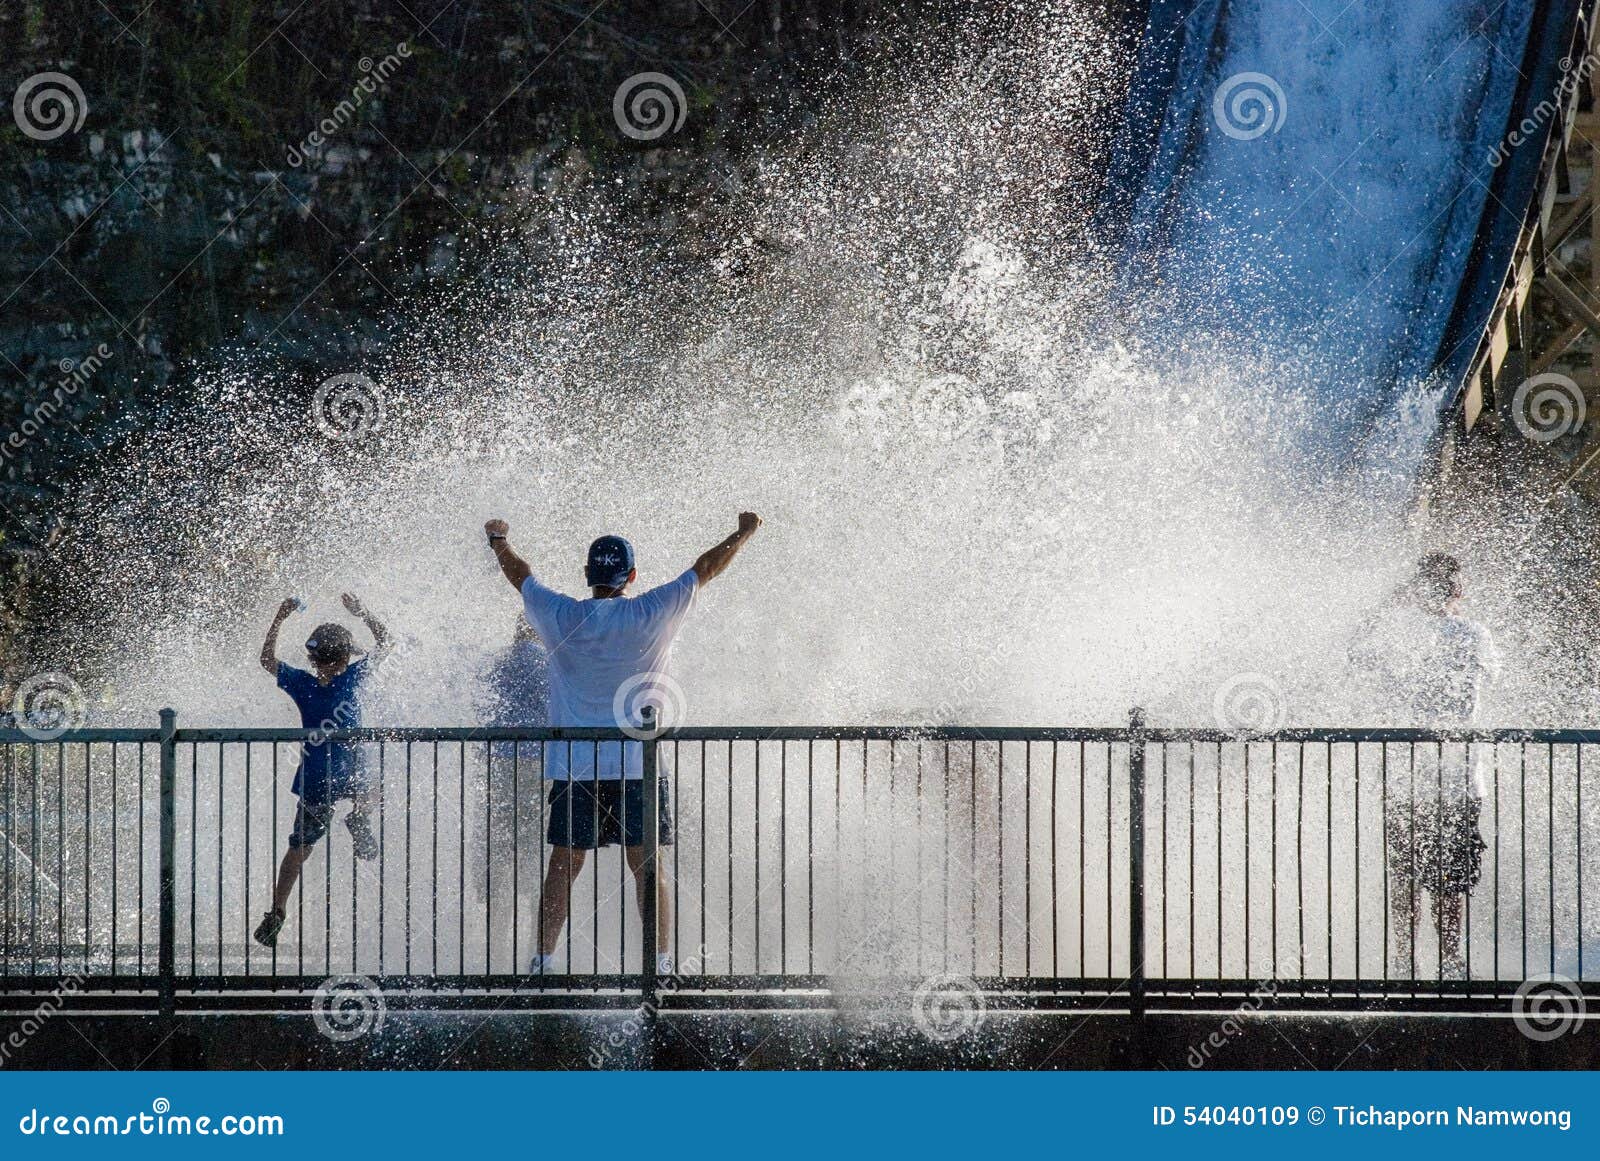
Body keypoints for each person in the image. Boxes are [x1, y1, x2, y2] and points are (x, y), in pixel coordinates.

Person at [483, 512, 761, 974]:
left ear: (587, 576)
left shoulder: (561, 615)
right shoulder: (651, 611)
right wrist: (743, 533)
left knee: (563, 867)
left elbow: (521, 575)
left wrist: (498, 540)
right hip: (638, 764)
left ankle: (543, 960)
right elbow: (706, 568)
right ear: (631, 577)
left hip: (576, 765)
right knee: (647, 868)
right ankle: (662, 964)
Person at [1349, 552, 1500, 978]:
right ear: (1458, 590)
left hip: (1406, 779)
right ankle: (1451, 963)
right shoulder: (1474, 633)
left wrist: (1389, 609)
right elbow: (1489, 678)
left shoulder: (1397, 636)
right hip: (1458, 777)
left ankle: (1404, 961)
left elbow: (1355, 655)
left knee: (1406, 875)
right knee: (1452, 877)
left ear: (1416, 588)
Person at [253, 593, 392, 948]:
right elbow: (387, 642)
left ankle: (277, 910)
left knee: (299, 847)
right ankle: (360, 817)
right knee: (376, 786)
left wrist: (280, 617)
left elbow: (266, 659)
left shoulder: (303, 684)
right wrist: (362, 610)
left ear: (314, 659)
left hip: (316, 777)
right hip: (352, 771)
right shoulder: (353, 678)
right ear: (347, 656)